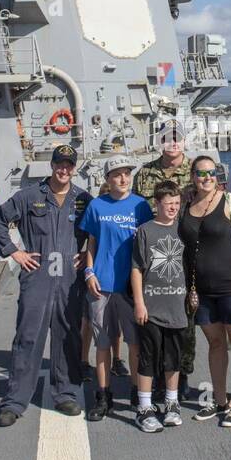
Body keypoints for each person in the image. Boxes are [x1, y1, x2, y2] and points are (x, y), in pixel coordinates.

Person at [0, 144, 90, 427]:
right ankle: (15, 401)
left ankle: (66, 393)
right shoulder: (29, 197)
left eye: (69, 164)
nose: (64, 169)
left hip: (70, 278)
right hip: (38, 276)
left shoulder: (83, 200)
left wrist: (87, 252)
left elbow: (97, 230)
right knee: (28, 337)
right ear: (52, 165)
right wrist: (14, 252)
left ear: (74, 167)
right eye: (60, 163)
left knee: (68, 336)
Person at [181, 154, 231, 428]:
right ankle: (219, 400)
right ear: (193, 176)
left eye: (211, 173)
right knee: (215, 344)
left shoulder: (230, 202)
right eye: (201, 173)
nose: (207, 178)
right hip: (201, 290)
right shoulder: (186, 204)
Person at [81, 155, 154, 421]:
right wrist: (89, 271)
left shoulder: (141, 206)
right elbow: (91, 242)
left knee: (134, 343)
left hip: (130, 286)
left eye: (126, 173)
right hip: (101, 285)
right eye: (117, 174)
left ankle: (136, 393)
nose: (123, 179)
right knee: (102, 344)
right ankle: (103, 397)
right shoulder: (97, 206)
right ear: (108, 179)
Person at [134, 119, 195, 402]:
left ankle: (180, 379)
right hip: (152, 256)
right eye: (167, 137)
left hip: (184, 256)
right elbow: (133, 211)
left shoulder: (195, 171)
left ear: (184, 141)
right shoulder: (145, 174)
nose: (172, 142)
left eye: (177, 137)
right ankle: (155, 381)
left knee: (184, 325)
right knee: (152, 328)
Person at [129, 180, 192, 433]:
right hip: (152, 307)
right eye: (168, 204)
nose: (173, 208)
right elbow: (136, 268)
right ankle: (144, 408)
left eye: (177, 203)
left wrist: (193, 294)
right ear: (157, 203)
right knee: (148, 358)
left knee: (172, 358)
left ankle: (171, 402)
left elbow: (191, 267)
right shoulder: (145, 231)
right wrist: (139, 303)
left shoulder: (184, 229)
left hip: (177, 306)